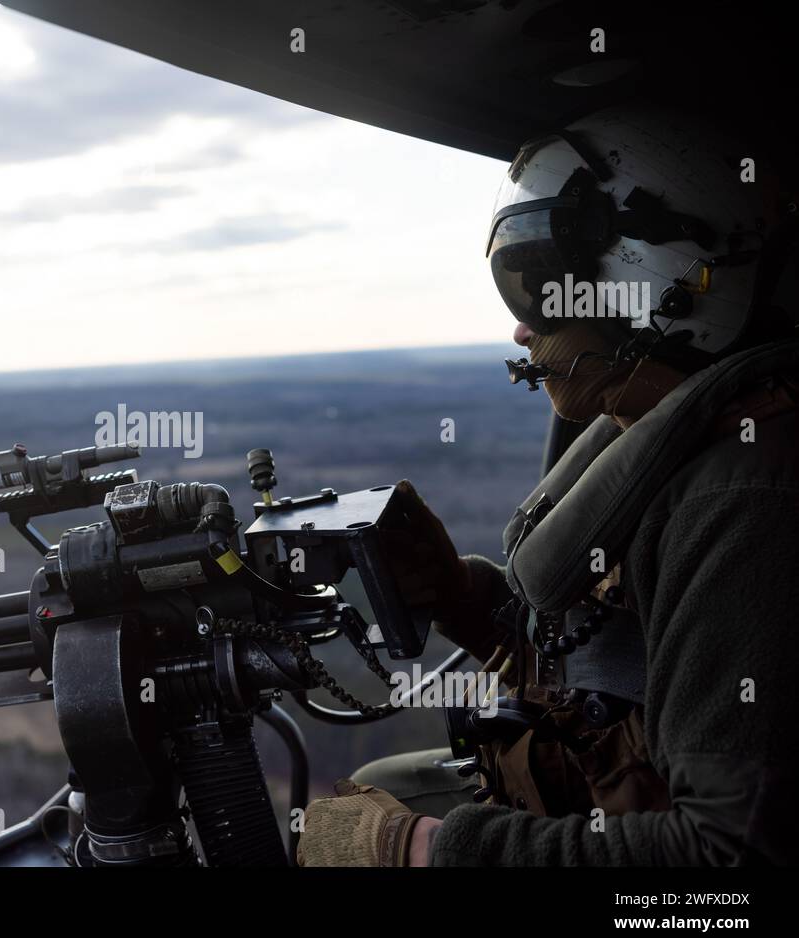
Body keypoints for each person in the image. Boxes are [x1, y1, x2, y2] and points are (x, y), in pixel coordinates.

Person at [297, 102, 799, 866]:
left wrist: (430, 851)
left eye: (538, 292)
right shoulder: (671, 439)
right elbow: (623, 682)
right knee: (373, 783)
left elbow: (724, 869)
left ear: (657, 284)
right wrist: (466, 602)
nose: (523, 331)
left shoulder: (742, 499)